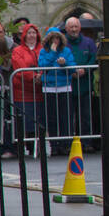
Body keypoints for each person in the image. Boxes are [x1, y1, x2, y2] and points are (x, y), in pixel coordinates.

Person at [37, 28, 75, 155]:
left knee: (65, 118)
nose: (55, 41)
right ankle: (54, 145)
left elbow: (72, 67)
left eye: (57, 38)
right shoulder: (44, 52)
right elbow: (43, 66)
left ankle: (66, 144)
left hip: (64, 87)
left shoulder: (66, 51)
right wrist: (52, 53)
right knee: (51, 118)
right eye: (53, 38)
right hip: (49, 88)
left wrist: (64, 64)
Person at [63, 16, 97, 147]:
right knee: (68, 117)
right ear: (66, 28)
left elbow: (93, 58)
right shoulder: (63, 42)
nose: (73, 29)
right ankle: (68, 143)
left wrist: (85, 70)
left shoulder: (89, 42)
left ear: (80, 27)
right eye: (71, 27)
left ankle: (87, 143)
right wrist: (72, 70)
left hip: (85, 85)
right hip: (68, 85)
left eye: (76, 26)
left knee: (85, 116)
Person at [10, 23, 43, 148]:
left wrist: (41, 76)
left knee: (40, 119)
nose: (31, 35)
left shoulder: (43, 49)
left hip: (39, 90)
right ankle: (26, 146)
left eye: (33, 33)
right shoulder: (17, 51)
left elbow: (46, 62)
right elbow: (20, 66)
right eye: (29, 33)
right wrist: (33, 77)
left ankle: (38, 146)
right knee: (25, 121)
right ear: (24, 35)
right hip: (23, 92)